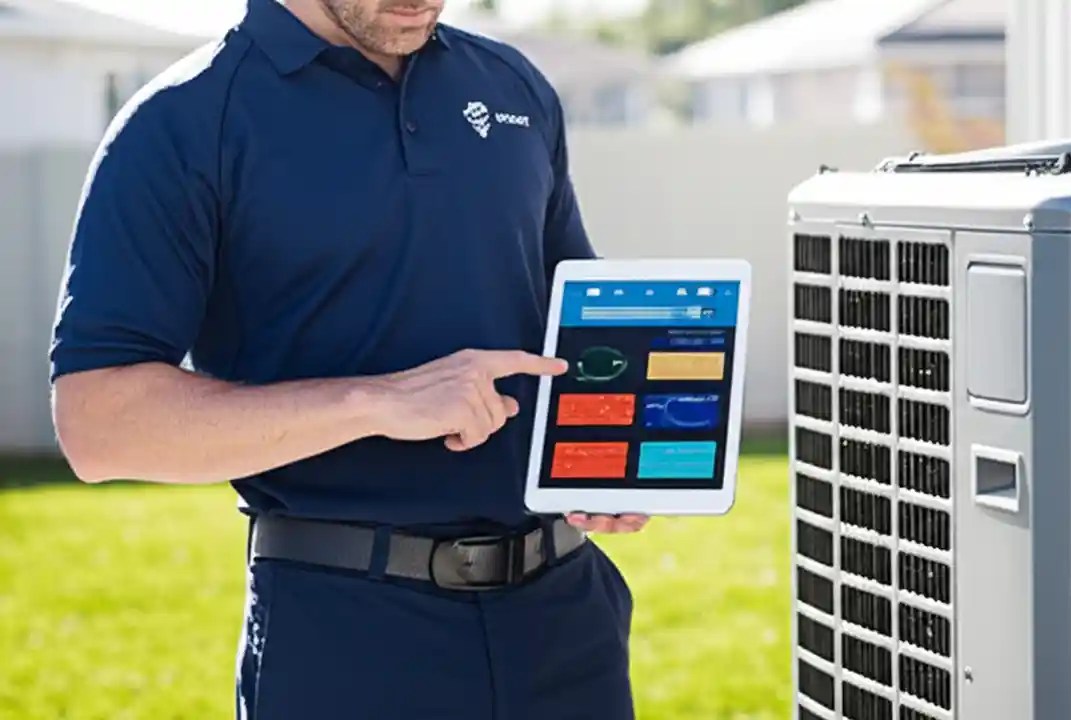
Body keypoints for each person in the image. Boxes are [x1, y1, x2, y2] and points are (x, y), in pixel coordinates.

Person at [48, 1, 648, 717]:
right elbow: (98, 423)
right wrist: (379, 402)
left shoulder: (512, 86)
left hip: (565, 627)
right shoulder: (184, 122)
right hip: (346, 638)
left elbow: (570, 328)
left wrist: (619, 453)